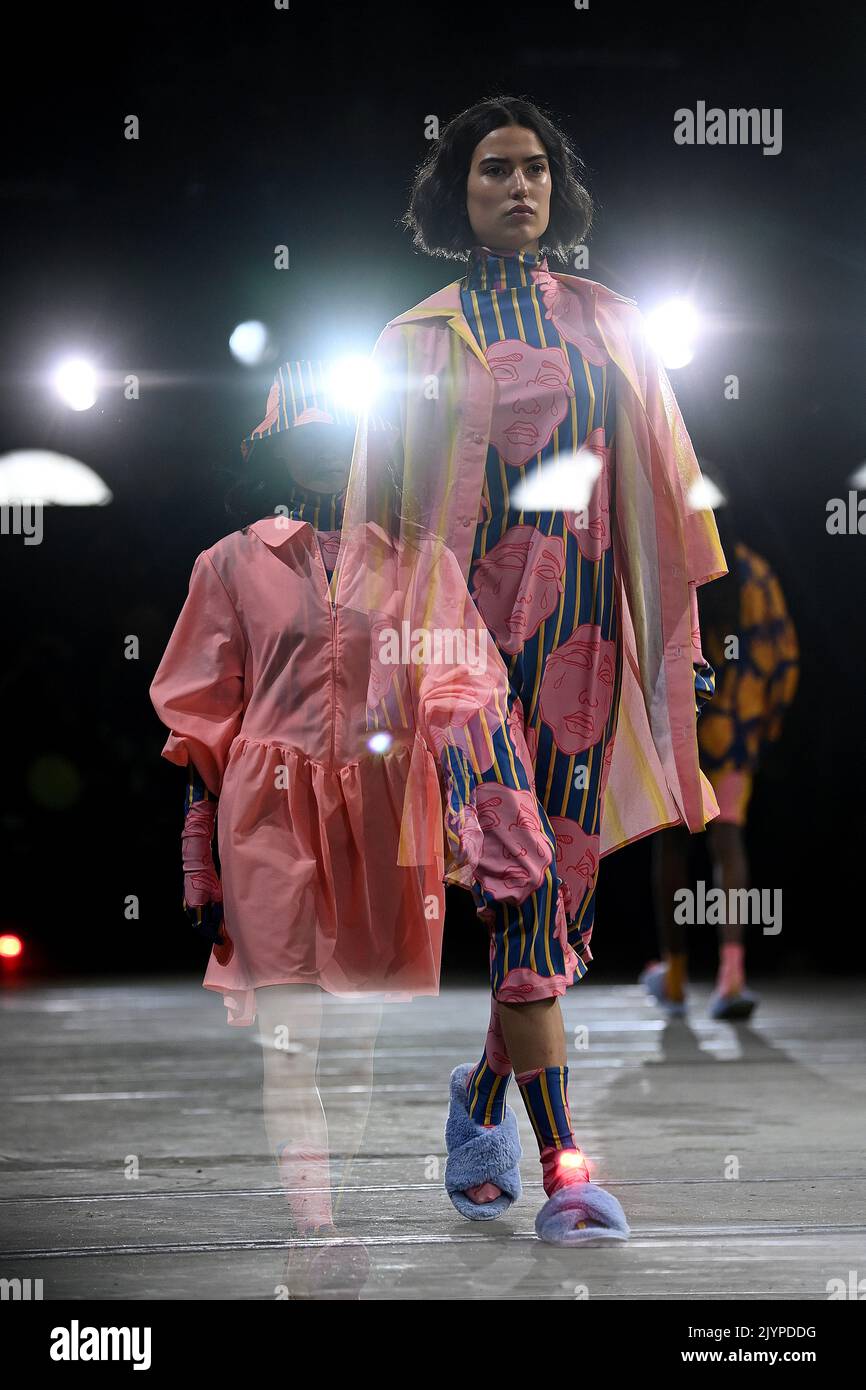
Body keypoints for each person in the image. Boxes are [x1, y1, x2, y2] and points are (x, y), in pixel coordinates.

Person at [339, 94, 727, 1245]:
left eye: (537, 170)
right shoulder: (415, 338)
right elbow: (381, 524)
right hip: (465, 648)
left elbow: (667, 491)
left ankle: (477, 1102)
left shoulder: (609, 320)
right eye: (493, 170)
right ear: (453, 196)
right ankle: (565, 1170)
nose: (520, 187)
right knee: (514, 884)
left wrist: (673, 646)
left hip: (587, 642)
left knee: (549, 903)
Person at [149, 357, 553, 1272]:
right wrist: (196, 852)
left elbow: (464, 693)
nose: (330, 452)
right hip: (269, 815)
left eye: (345, 434)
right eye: (310, 435)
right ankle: (316, 1229)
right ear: (281, 445)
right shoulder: (230, 563)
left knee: (357, 1046)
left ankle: (324, 1217)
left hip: (384, 815)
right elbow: (200, 718)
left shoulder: (423, 566)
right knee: (293, 1039)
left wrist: (472, 820)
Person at [642, 461, 800, 1020]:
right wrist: (765, 724)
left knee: (672, 846)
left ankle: (677, 974)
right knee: (728, 843)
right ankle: (731, 976)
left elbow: (651, 652)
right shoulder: (755, 574)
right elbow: (783, 658)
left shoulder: (680, 575)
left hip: (685, 730)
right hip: (737, 735)